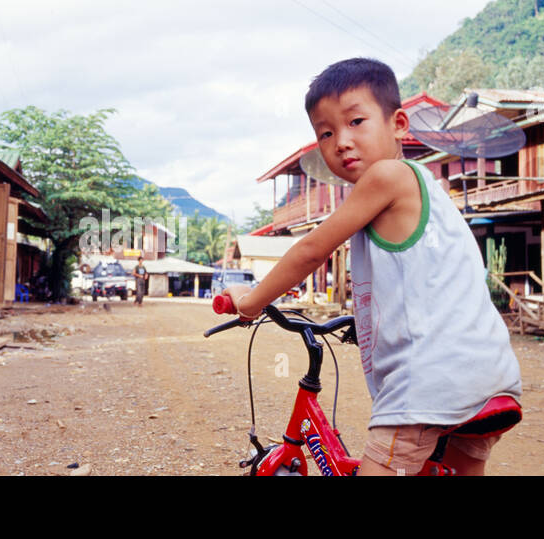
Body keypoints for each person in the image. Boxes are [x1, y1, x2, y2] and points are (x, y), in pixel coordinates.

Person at [221, 58, 522, 476]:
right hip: (488, 375)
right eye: (325, 133)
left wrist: (250, 301)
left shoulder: (386, 177)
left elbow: (311, 251)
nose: (341, 141)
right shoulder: (426, 191)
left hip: (429, 384)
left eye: (356, 121)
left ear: (399, 124)